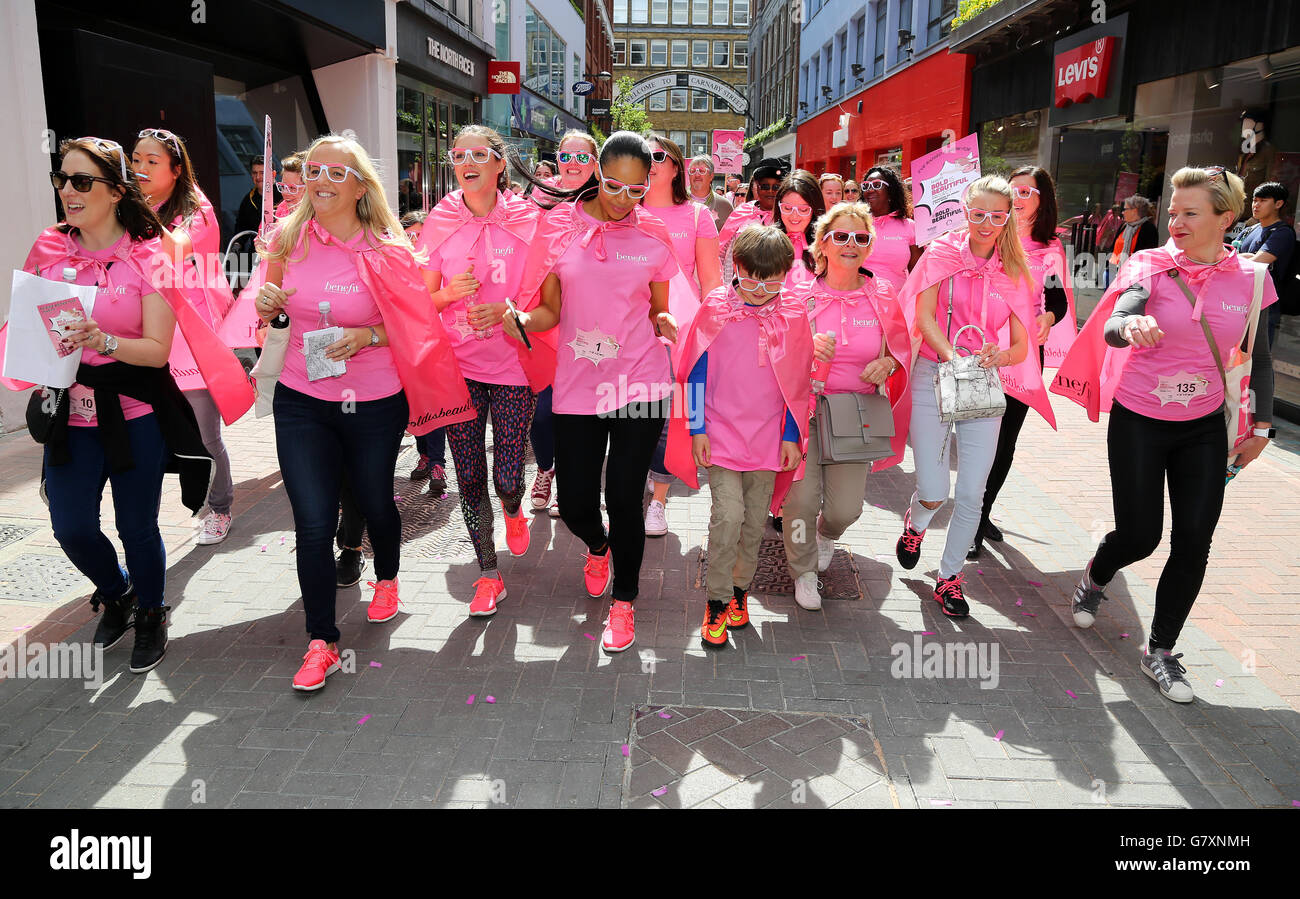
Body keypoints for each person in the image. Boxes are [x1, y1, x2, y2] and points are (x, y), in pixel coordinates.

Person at [0, 137, 253, 673]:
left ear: (116, 191)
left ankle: (153, 613)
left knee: (136, 526)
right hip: (71, 416)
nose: (68, 191)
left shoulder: (152, 252)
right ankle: (117, 593)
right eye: (62, 179)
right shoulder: (49, 247)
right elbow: (28, 327)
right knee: (70, 527)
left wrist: (101, 341)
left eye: (82, 181)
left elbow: (158, 351)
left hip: (135, 414)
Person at [252, 134, 472, 691]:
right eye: (315, 170)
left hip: (373, 400)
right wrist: (266, 304)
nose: (320, 180)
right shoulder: (286, 237)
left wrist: (367, 334)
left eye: (335, 173)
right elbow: (269, 311)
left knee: (374, 500)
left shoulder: (389, 249)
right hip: (302, 398)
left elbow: (415, 323)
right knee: (313, 521)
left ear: (359, 188)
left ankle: (389, 578)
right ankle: (321, 641)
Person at [1053, 166, 1277, 704]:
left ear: (1226, 218)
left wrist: (1262, 426)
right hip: (1139, 419)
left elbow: (1261, 359)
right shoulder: (1149, 264)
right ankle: (1096, 575)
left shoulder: (1252, 278)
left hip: (1205, 426)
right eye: (1172, 212)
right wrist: (1129, 326)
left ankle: (1161, 651)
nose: (1175, 221)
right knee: (1141, 535)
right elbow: (1115, 321)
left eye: (1189, 213)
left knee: (1194, 541)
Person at [504, 131, 680, 653]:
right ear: (596, 175)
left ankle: (624, 602)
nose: (624, 199)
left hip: (640, 381)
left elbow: (658, 305)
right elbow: (548, 311)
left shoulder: (654, 235)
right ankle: (597, 545)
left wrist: (666, 317)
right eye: (613, 185)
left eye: (637, 189)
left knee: (624, 496)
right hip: (579, 384)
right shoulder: (558, 228)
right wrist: (521, 321)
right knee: (578, 504)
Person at [897, 176, 1048, 619]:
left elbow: (1022, 347)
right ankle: (916, 523)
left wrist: (997, 356)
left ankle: (949, 577)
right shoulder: (941, 253)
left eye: (997, 216)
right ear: (964, 211)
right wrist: (950, 356)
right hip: (934, 373)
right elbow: (923, 315)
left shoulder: (1017, 270)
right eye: (977, 213)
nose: (986, 223)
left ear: (1009, 219)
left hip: (983, 381)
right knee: (933, 487)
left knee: (971, 493)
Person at [415, 125, 542, 617]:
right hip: (458, 366)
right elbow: (420, 299)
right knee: (468, 474)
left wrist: (510, 312)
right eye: (457, 154)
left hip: (512, 363)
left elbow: (543, 292)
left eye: (477, 154)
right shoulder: (440, 221)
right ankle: (488, 573)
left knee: (507, 476)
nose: (466, 161)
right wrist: (450, 294)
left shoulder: (527, 219)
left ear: (498, 164)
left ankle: (512, 506)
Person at [664, 226, 813, 646]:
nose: (761, 289)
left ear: (787, 272)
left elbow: (799, 382)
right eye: (751, 279)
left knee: (752, 524)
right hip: (720, 433)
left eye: (772, 280)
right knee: (727, 517)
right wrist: (697, 428)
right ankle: (715, 602)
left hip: (768, 440)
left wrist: (790, 436)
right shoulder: (716, 307)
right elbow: (693, 372)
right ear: (736, 268)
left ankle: (740, 593)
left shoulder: (794, 313)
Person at [783, 202, 911, 610]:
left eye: (860, 237)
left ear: (870, 246)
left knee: (845, 509)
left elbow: (902, 350)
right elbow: (771, 350)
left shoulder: (883, 295)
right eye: (841, 236)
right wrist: (804, 348)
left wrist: (887, 363)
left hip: (856, 412)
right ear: (823, 242)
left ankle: (826, 535)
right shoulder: (799, 293)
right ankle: (802, 571)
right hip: (803, 411)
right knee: (800, 501)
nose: (850, 244)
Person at [131, 127, 240, 545]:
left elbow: (176, 249)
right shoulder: (130, 206)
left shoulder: (197, 209)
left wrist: (133, 211)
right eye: (135, 160)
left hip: (191, 340)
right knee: (149, 432)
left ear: (176, 170)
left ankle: (221, 505)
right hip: (143, 340)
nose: (140, 168)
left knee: (204, 433)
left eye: (151, 161)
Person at [971, 166, 1073, 558]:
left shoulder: (1049, 250)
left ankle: (981, 513)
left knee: (1005, 440)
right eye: (1013, 190)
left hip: (1025, 354)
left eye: (1027, 191)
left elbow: (1058, 301)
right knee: (980, 436)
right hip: (982, 351)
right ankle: (972, 510)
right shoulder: (989, 236)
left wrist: (1047, 318)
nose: (1019, 197)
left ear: (1041, 200)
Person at [641, 137, 722, 538]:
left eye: (658, 156)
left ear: (676, 167)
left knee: (670, 416)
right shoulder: (622, 208)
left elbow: (711, 282)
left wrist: (713, 334)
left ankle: (658, 499)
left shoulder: (697, 216)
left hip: (683, 330)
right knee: (628, 408)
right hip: (629, 328)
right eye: (643, 157)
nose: (649, 163)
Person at [528, 130, 601, 515]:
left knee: (581, 413)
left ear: (596, 162)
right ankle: (545, 468)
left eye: (582, 157)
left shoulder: (608, 202)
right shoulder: (538, 200)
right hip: (547, 318)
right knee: (543, 411)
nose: (572, 164)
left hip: (592, 324)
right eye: (565, 157)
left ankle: (571, 481)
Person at [1237, 182, 1295, 348]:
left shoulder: (1282, 232)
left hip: (1264, 304)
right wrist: (1246, 257)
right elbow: (1224, 256)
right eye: (1255, 200)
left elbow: (1258, 262)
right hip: (1236, 301)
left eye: (1262, 200)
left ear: (1278, 203)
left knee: (1256, 359)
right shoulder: (1249, 229)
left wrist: (1240, 258)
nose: (1256, 205)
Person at [718, 158, 789, 285]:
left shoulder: (790, 215)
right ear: (756, 186)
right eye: (765, 186)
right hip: (741, 286)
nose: (770, 191)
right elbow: (722, 251)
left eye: (776, 186)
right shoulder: (742, 212)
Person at [860, 165, 922, 295]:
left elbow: (918, 276)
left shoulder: (910, 227)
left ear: (891, 191)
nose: (870, 190)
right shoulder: (856, 225)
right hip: (858, 304)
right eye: (865, 186)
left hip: (896, 307)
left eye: (877, 185)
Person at [771, 170, 825, 290]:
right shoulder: (765, 240)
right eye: (787, 208)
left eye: (803, 210)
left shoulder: (827, 243)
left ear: (815, 209)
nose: (794, 216)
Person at [235, 155, 282, 236]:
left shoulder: (285, 195)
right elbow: (241, 230)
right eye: (255, 173)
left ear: (273, 174)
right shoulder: (248, 200)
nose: (258, 177)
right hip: (256, 247)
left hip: (282, 247)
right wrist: (237, 244)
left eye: (262, 173)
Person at [1110, 195, 1159, 272]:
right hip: (1112, 271)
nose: (1122, 212)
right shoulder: (1124, 226)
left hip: (1132, 275)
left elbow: (1147, 258)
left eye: (1125, 209)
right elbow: (1113, 249)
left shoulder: (1149, 229)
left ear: (1134, 211)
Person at [686, 154, 733, 230]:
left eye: (702, 171)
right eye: (693, 171)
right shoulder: (676, 200)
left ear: (711, 176)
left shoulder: (724, 206)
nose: (697, 175)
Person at [274, 153, 306, 219]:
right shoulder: (277, 212)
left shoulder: (321, 219)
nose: (284, 192)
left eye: (292, 188)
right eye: (282, 186)